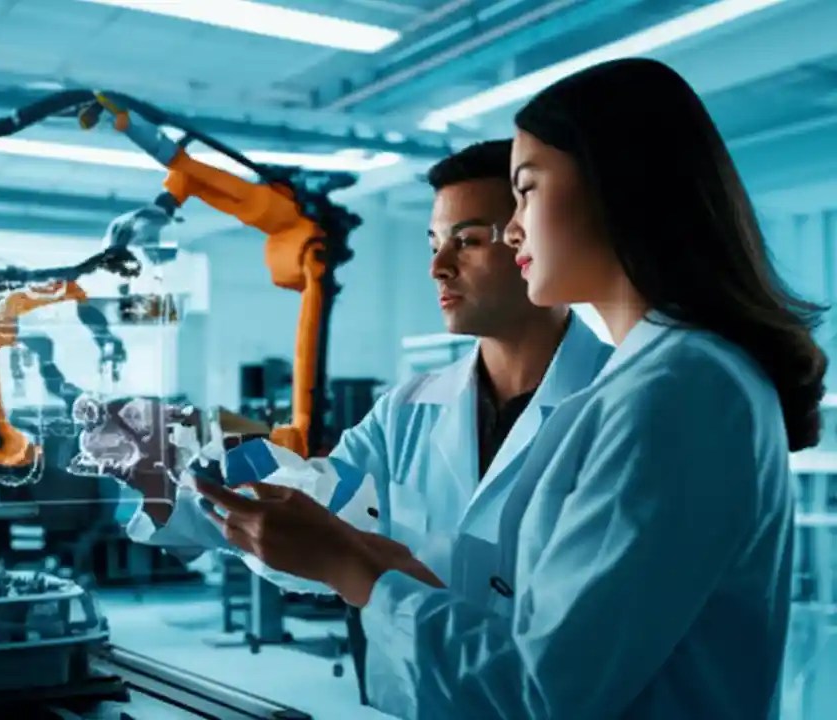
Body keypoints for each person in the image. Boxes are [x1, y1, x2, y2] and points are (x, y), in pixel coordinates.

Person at [197, 57, 827, 719]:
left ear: (616, 185)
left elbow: (543, 690)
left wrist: (357, 570)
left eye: (525, 191)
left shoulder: (679, 388)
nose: (516, 227)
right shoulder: (665, 376)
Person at [117, 140, 612, 701]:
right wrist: (166, 484)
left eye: (468, 241)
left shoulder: (623, 404)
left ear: (533, 238)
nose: (437, 267)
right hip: (424, 702)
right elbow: (312, 519)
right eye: (433, 243)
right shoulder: (405, 411)